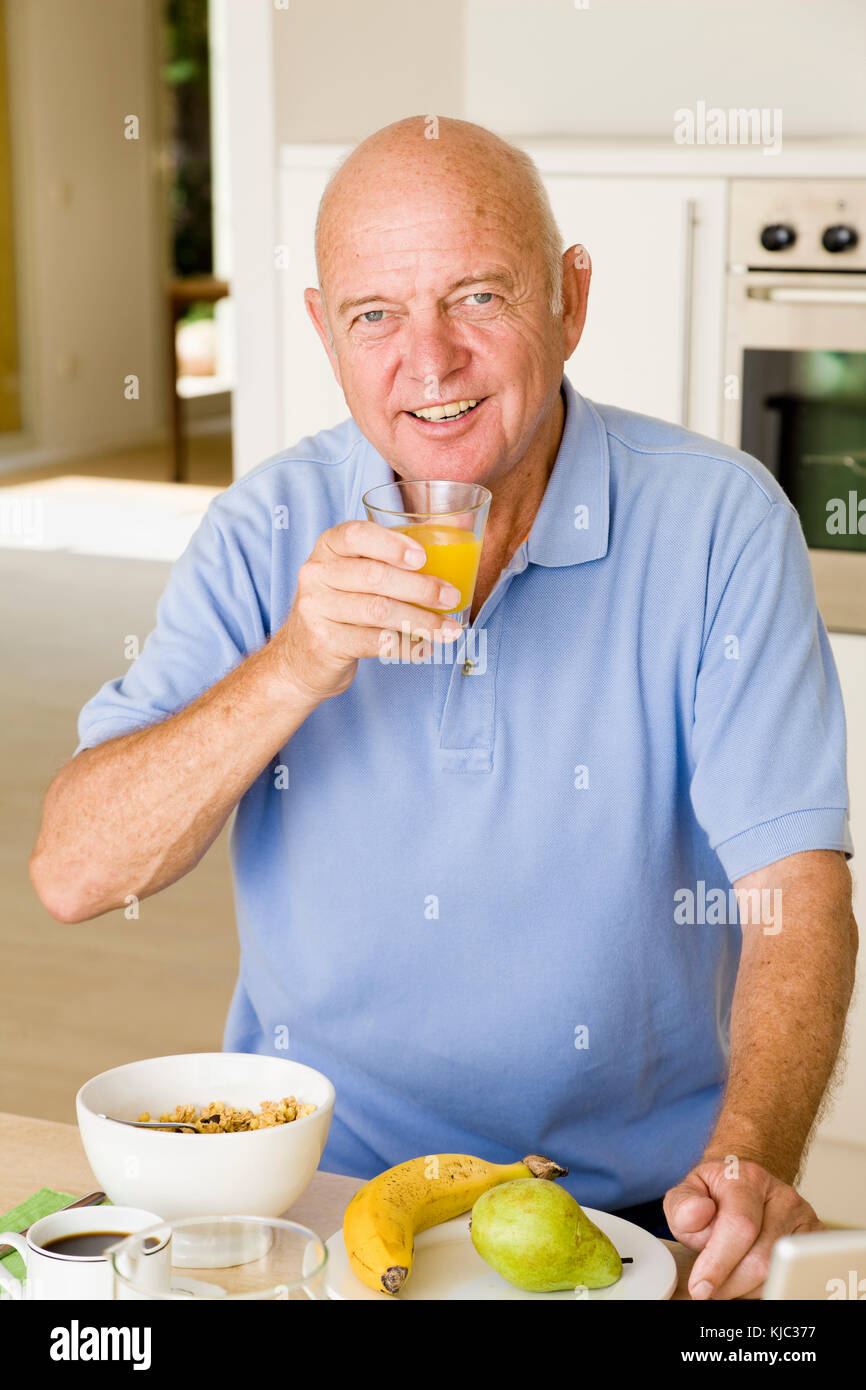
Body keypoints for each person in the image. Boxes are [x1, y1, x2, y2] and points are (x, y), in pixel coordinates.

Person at [31, 116, 857, 1300]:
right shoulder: (262, 529)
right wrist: (296, 662)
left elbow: (795, 890)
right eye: (375, 314)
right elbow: (74, 874)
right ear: (323, 331)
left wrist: (748, 1158)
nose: (429, 361)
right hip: (316, 1201)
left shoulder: (719, 524)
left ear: (569, 301)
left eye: (477, 296)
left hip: (626, 1214)